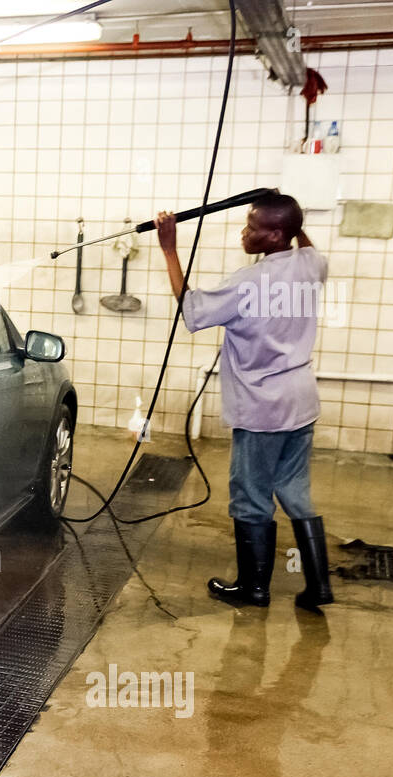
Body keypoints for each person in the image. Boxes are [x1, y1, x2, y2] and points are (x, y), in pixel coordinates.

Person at [155, 191, 334, 611]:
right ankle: (319, 586)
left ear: (275, 235)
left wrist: (169, 250)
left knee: (250, 494)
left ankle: (253, 589)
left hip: (262, 406)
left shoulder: (247, 282)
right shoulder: (311, 264)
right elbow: (304, 242)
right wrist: (289, 215)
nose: (244, 232)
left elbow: (193, 310)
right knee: (294, 489)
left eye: (254, 227)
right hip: (301, 399)